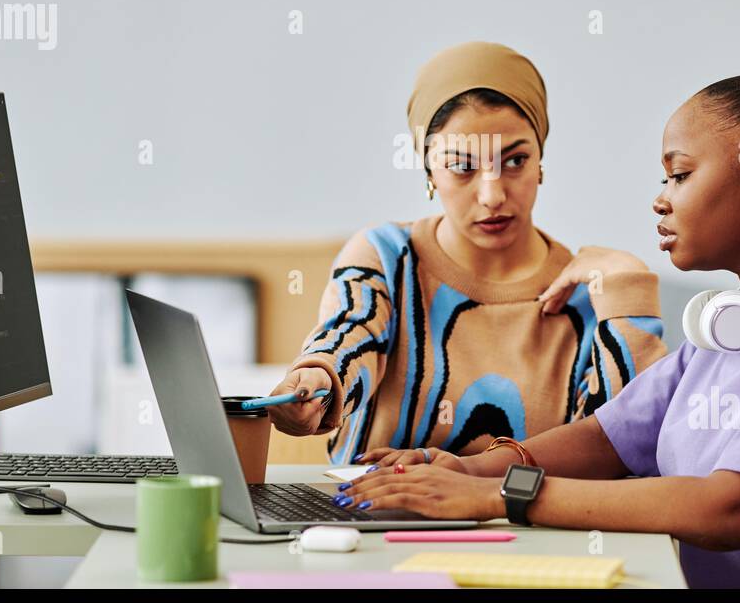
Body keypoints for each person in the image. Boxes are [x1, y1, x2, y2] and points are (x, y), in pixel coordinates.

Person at [339, 0, 740, 588]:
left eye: (681, 174)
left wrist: (501, 496)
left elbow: (732, 509)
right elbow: (610, 437)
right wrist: (465, 469)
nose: (660, 198)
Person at [266, 41, 669, 466]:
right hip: (371, 526)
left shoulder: (591, 294)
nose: (492, 195)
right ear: (428, 172)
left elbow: (623, 451)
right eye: (461, 166)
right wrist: (315, 381)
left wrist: (627, 289)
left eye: (515, 161)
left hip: (533, 532)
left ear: (540, 161)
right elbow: (349, 337)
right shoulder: (387, 258)